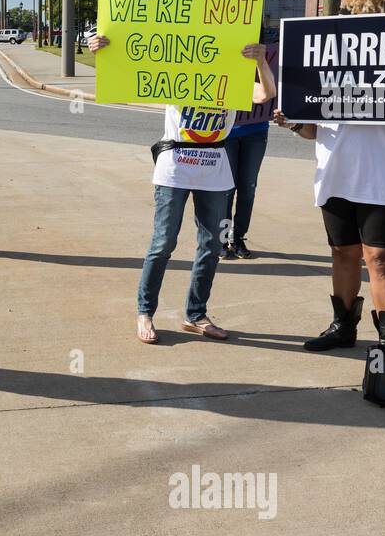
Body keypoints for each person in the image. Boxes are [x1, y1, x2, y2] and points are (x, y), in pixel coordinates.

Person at [273, 0, 385, 351]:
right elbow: (315, 130)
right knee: (342, 253)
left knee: (380, 257)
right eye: (361, 12)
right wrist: (293, 123)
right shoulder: (330, 58)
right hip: (336, 173)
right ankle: (343, 327)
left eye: (378, 12)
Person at [88, 34, 277, 343]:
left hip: (214, 168)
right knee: (163, 243)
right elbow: (126, 76)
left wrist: (259, 61)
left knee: (212, 245)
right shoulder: (177, 75)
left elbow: (266, 94)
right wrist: (103, 52)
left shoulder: (231, 80)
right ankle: (145, 312)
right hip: (175, 166)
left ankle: (196, 314)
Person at [221, 38, 278, 260]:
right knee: (225, 188)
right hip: (225, 134)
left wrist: (260, 61)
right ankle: (222, 238)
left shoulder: (261, 56)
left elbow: (267, 93)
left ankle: (238, 237)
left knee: (248, 188)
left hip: (255, 132)